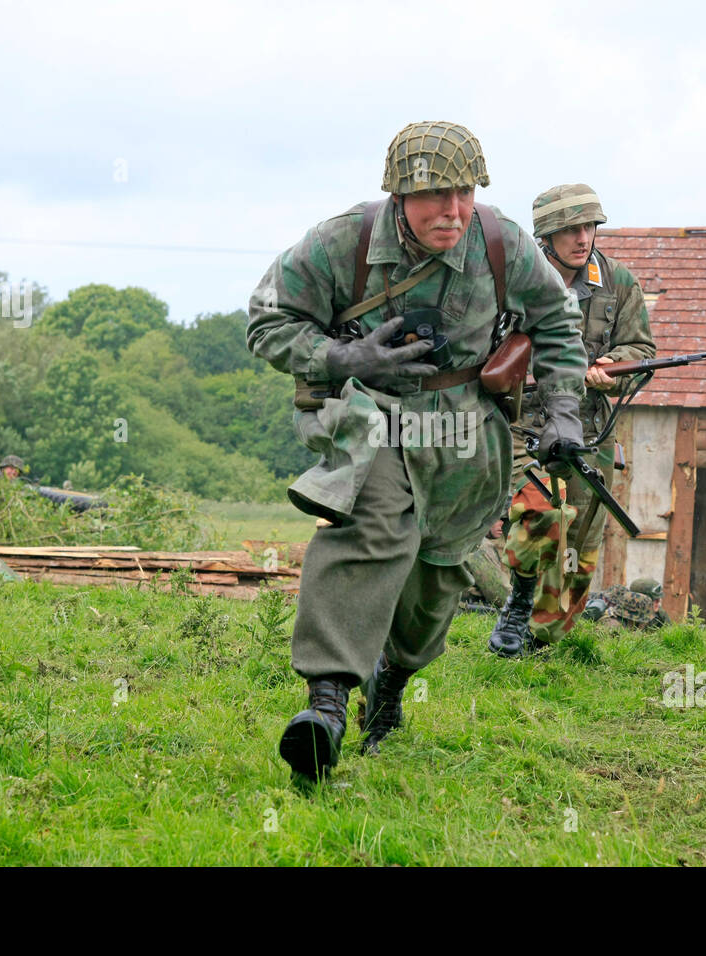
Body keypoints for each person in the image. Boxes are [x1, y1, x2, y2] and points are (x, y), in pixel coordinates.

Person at [247, 122, 587, 779]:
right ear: (399, 194)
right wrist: (345, 355)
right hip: (372, 415)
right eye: (435, 195)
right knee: (374, 529)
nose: (452, 211)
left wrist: (564, 411)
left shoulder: (501, 241)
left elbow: (556, 319)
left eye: (463, 193)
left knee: (437, 582)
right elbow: (266, 320)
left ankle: (392, 683)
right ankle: (326, 705)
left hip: (466, 433)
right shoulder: (340, 241)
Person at [487, 184, 656, 657]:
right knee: (538, 510)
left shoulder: (619, 283)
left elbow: (641, 352)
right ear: (547, 235)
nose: (583, 238)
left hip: (589, 429)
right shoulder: (517, 281)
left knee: (578, 547)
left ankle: (543, 639)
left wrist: (609, 373)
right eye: (570, 230)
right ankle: (518, 607)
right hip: (524, 423)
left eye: (589, 227)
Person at [582, 577, 671, 630]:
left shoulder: (659, 614)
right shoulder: (614, 614)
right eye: (655, 600)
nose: (658, 603)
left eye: (659, 599)